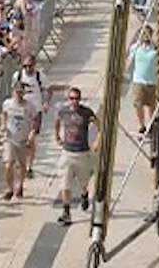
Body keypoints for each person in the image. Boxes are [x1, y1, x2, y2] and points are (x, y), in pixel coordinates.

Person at [54, 86, 99, 224]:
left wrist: (98, 141)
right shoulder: (63, 111)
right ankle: (66, 211)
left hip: (82, 152)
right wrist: (57, 136)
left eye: (77, 99)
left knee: (83, 182)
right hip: (68, 152)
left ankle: (84, 194)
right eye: (72, 98)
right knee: (65, 185)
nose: (74, 101)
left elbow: (99, 124)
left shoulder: (86, 112)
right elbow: (57, 121)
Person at [0, 82, 38, 200]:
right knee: (8, 164)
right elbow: (3, 114)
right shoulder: (7, 103)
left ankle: (20, 186)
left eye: (21, 92)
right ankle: (10, 189)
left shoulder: (29, 106)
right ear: (13, 91)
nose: (19, 95)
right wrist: (3, 125)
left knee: (22, 165)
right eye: (17, 92)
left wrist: (32, 133)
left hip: (23, 138)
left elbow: (35, 121)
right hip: (10, 138)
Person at [127, 27, 159, 134]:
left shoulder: (154, 49)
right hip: (138, 81)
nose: (145, 36)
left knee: (151, 105)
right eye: (143, 34)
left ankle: (152, 124)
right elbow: (129, 59)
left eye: (148, 34)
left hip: (151, 81)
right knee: (138, 104)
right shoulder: (135, 48)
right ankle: (142, 125)